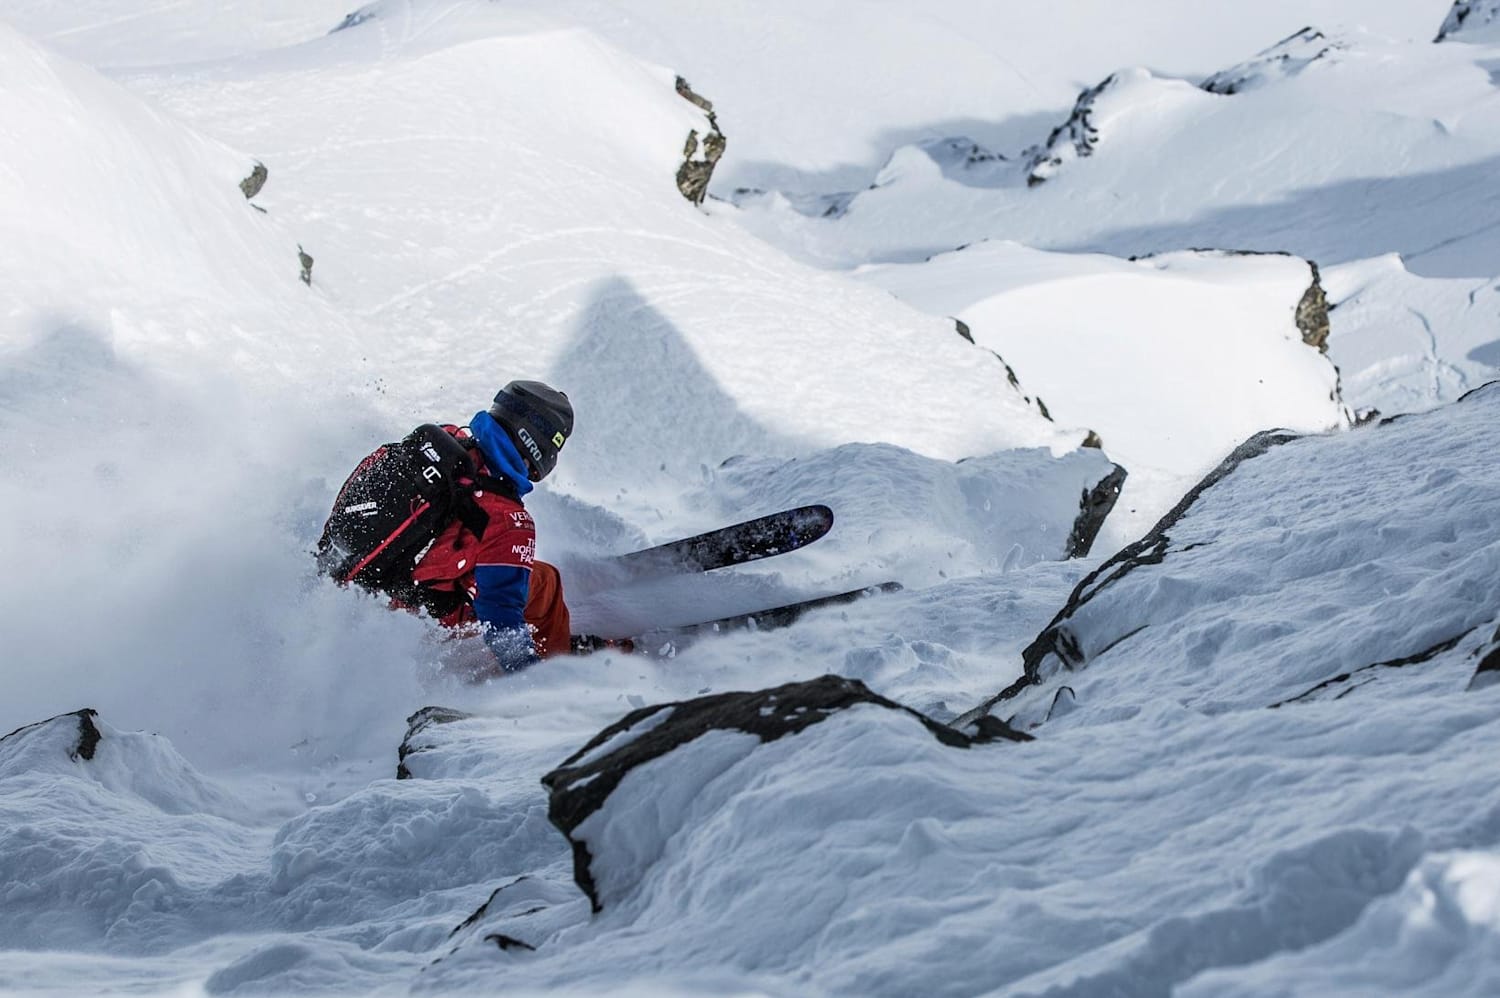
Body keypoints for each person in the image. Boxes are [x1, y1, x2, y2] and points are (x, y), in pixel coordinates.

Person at [405, 380, 574, 674]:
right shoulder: (508, 519)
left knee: (486, 566)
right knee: (544, 582)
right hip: (419, 622)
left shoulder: (445, 442)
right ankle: (556, 666)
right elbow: (501, 619)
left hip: (369, 588)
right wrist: (533, 684)